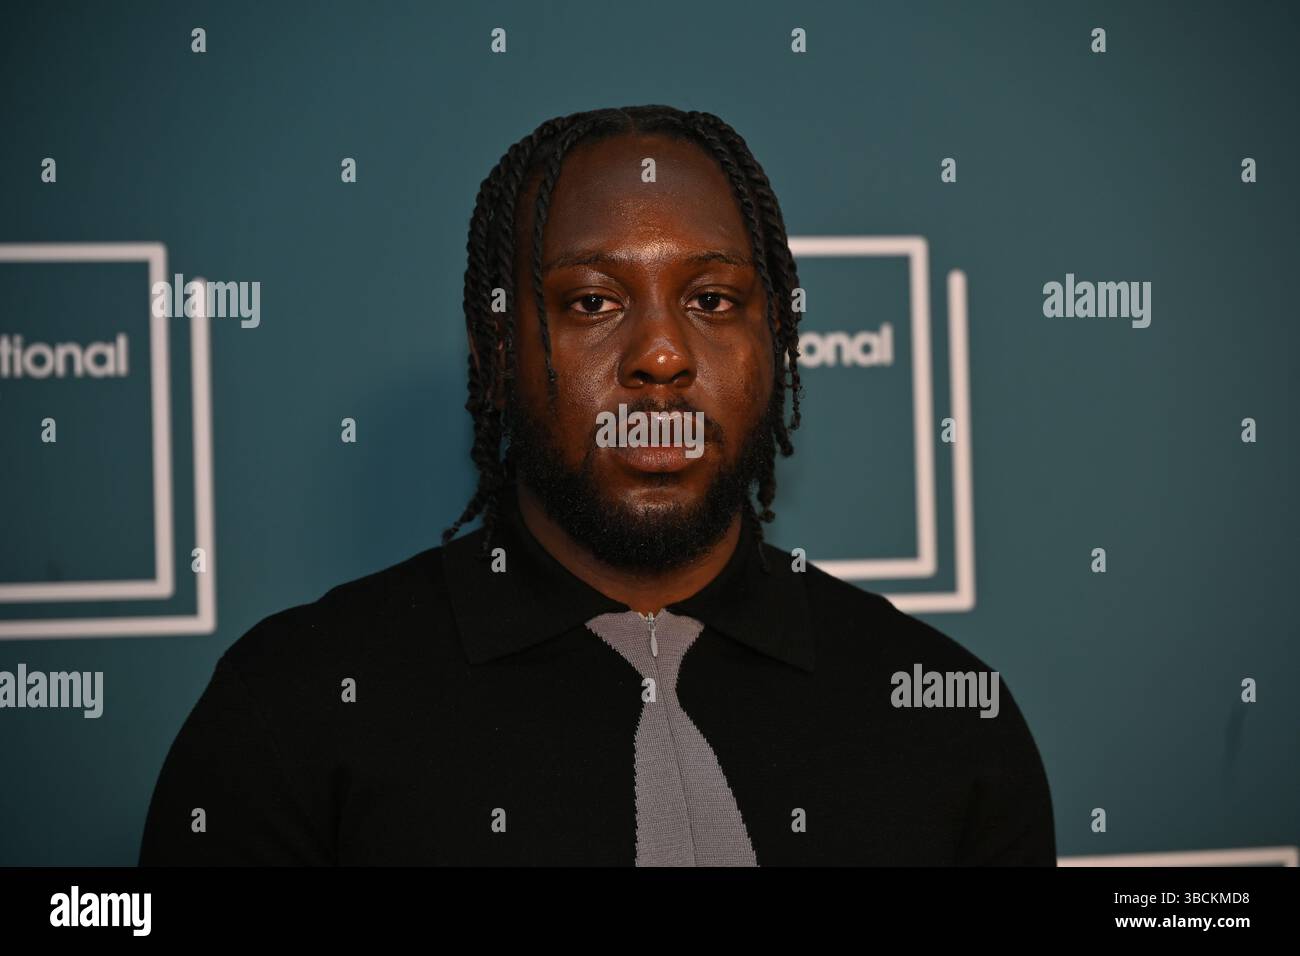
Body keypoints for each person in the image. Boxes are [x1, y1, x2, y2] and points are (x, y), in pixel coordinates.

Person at [139, 104, 1055, 866]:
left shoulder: (943, 712)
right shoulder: (296, 708)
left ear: (774, 347)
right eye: (592, 303)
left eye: (711, 301)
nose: (660, 354)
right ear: (497, 357)